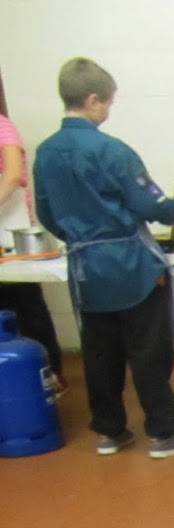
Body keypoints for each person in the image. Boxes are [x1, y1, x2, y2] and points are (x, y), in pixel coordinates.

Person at [33, 57, 174, 458]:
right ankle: (163, 432)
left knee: (100, 351)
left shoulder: (46, 154)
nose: (108, 110)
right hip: (130, 265)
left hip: (85, 269)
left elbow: (47, 213)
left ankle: (110, 430)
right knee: (148, 349)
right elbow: (151, 205)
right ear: (92, 100)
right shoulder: (113, 151)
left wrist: (80, 234)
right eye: (108, 102)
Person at [0, 93, 65, 390]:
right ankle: (15, 382)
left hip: (12, 232)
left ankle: (51, 375)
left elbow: (13, 174)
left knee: (27, 305)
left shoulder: (3, 127)